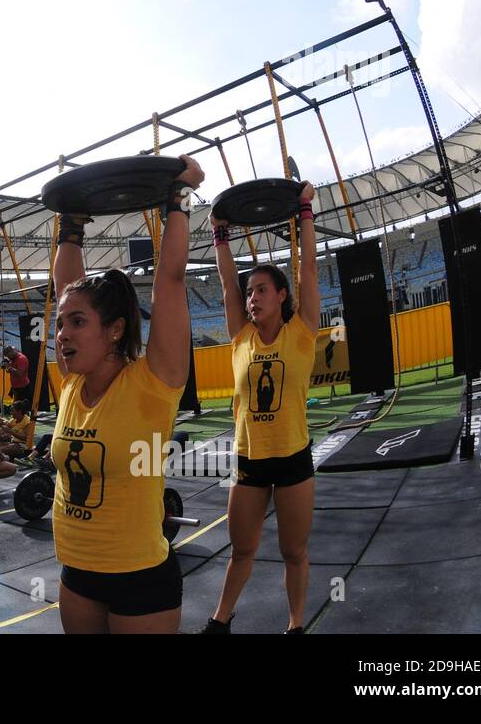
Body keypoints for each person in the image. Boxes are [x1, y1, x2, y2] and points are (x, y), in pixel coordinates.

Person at [49, 155, 203, 633]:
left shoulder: (153, 383)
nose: (62, 334)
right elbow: (63, 287)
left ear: (115, 330)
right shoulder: (72, 384)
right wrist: (71, 225)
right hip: (77, 574)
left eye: (77, 323)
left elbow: (170, 280)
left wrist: (176, 200)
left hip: (140, 579)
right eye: (59, 324)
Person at [202, 182, 320, 635]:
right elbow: (226, 280)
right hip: (249, 460)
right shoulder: (240, 338)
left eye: (262, 290)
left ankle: (294, 625)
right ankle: (220, 621)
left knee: (294, 552)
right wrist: (220, 234)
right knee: (241, 550)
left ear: (282, 296)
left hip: (292, 458)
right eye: (250, 292)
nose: (252, 297)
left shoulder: (301, 333)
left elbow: (308, 267)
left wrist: (305, 210)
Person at [2, 345, 31, 410]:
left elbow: (20, 373)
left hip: (23, 388)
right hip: (16, 387)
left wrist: (10, 367)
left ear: (12, 352)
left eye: (8, 356)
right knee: (17, 408)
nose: (8, 358)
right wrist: (8, 368)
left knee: (22, 408)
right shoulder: (13, 359)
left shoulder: (21, 359)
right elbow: (13, 370)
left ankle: (25, 418)